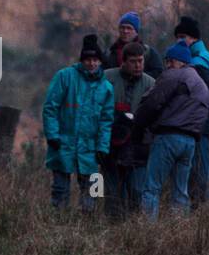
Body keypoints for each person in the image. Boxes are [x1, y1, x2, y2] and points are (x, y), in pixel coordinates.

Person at [134, 41, 209, 218]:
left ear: (182, 61)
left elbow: (152, 103)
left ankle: (147, 231)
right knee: (180, 192)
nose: (167, 65)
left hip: (168, 137)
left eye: (171, 61)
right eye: (167, 61)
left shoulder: (174, 76)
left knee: (152, 188)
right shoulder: (201, 84)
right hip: (190, 142)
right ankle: (179, 231)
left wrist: (138, 125)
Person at [43, 35, 115, 211]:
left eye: (95, 60)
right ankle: (58, 223)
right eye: (88, 60)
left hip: (90, 147)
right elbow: (50, 107)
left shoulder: (106, 87)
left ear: (100, 62)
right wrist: (52, 135)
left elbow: (106, 120)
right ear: (82, 60)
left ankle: (88, 224)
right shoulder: (65, 77)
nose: (91, 63)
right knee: (60, 190)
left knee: (92, 190)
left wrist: (103, 147)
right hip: (63, 143)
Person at [175, 16, 209, 203]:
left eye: (183, 36)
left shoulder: (197, 62)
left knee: (201, 171)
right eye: (178, 37)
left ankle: (202, 213)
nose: (179, 41)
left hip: (204, 124)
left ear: (194, 38)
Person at [101, 43, 155, 217]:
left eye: (141, 61)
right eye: (133, 62)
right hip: (111, 145)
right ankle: (113, 228)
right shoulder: (107, 78)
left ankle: (134, 230)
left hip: (138, 147)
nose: (138, 65)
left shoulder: (151, 83)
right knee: (111, 192)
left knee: (137, 191)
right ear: (123, 62)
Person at [106, 12, 164, 79]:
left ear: (136, 31)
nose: (125, 31)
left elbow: (158, 72)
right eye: (122, 27)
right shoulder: (110, 53)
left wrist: (137, 78)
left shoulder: (148, 52)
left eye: (129, 28)